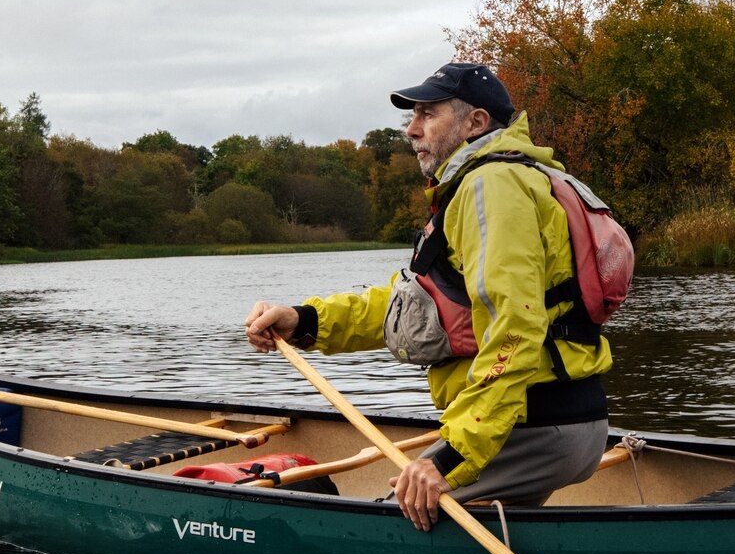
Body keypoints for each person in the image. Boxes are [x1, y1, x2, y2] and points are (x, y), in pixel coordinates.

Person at [244, 61, 610, 530]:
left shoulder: (490, 186)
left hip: (529, 425)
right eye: (413, 116)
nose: (412, 130)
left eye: (428, 114)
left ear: (476, 122)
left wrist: (451, 455)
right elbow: (417, 307)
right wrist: (304, 320)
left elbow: (515, 331)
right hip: (554, 421)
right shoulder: (501, 180)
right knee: (474, 534)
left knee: (396, 515)